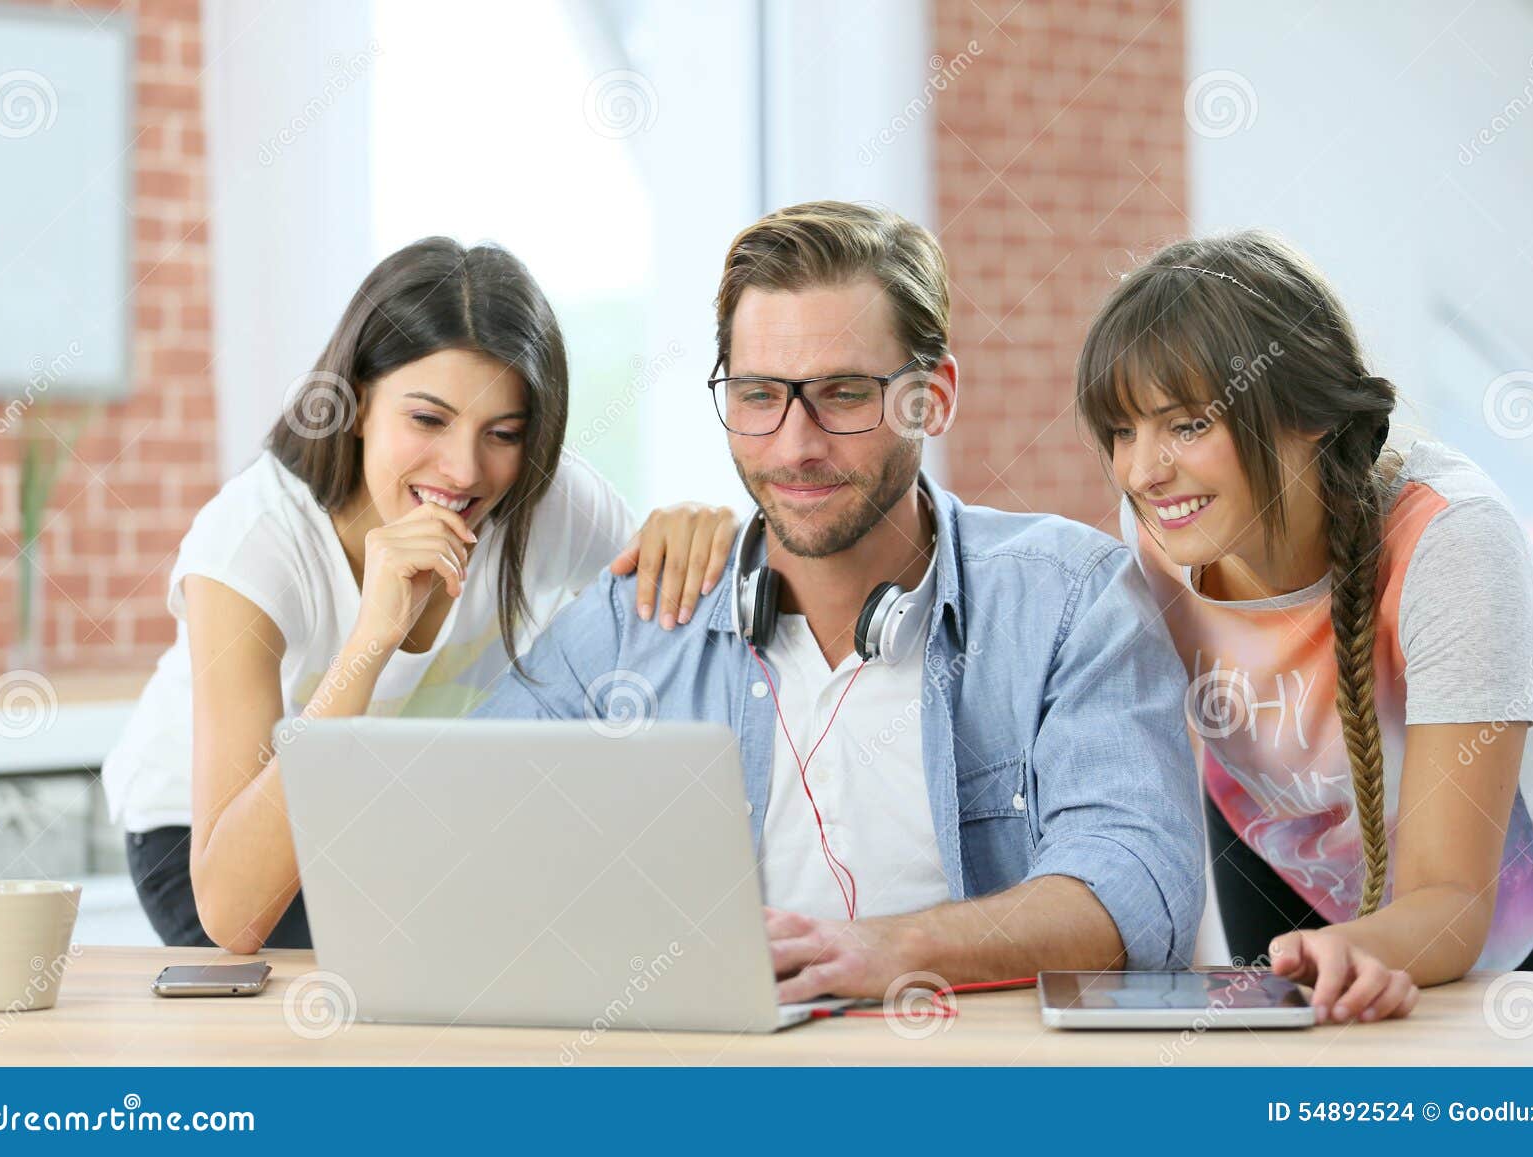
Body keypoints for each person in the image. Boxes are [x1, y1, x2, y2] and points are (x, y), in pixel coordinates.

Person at [476, 201, 1204, 1001]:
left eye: (845, 394)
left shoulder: (1069, 602)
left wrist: (895, 949)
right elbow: (459, 840)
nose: (796, 447)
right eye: (759, 396)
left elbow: (1137, 885)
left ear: (933, 397)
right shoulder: (638, 619)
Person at [102, 237, 736, 954]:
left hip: (384, 824)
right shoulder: (253, 539)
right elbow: (232, 909)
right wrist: (370, 640)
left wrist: (693, 537)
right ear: (355, 402)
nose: (464, 471)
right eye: (428, 420)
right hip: (210, 844)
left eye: (503, 433)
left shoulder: (543, 502)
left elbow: (672, 621)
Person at [1075, 229, 1533, 1025]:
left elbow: (1450, 893)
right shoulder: (1166, 534)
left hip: (1515, 921)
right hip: (1278, 856)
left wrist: (1360, 947)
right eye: (1123, 431)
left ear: (1307, 414)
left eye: (1188, 424)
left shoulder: (1454, 543)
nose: (1143, 471)